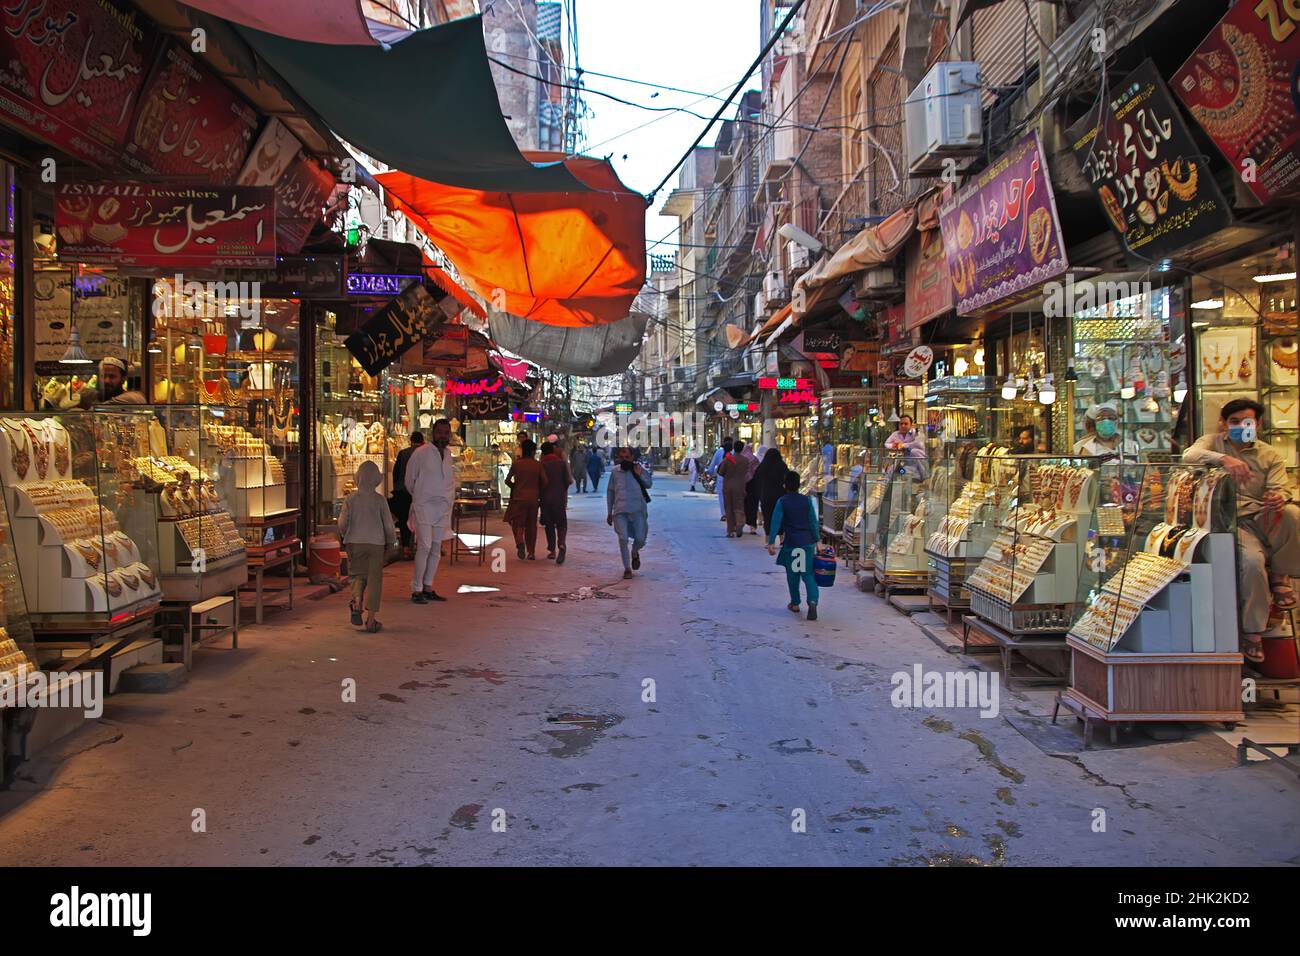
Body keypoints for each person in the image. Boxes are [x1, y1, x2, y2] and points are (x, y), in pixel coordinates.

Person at [1183, 399, 1299, 664]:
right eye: (1234, 421)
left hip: (1263, 516)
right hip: (1232, 521)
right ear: (1223, 423)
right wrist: (1224, 459)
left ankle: (1282, 577)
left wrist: (1277, 497)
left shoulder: (1269, 455)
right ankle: (1253, 632)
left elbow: (1282, 489)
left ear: (1258, 424)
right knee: (1252, 561)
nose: (1240, 427)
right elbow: (1188, 456)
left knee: (1293, 513)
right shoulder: (1212, 443)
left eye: (1247, 422)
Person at [338, 460, 398, 632]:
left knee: (357, 575)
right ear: (375, 480)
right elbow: (388, 525)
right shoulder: (379, 500)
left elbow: (342, 523)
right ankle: (371, 620)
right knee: (374, 580)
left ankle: (357, 602)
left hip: (354, 542)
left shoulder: (350, 499)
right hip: (376, 544)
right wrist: (391, 542)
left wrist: (345, 535)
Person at [405, 418, 456, 604]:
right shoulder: (421, 453)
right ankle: (416, 589)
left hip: (442, 508)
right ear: (433, 433)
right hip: (424, 506)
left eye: (446, 433)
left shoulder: (449, 454)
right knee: (424, 546)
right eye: (440, 432)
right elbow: (409, 481)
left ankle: (428, 586)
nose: (443, 436)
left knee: (436, 548)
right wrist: (421, 496)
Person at [767, 471, 821, 621]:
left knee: (793, 575)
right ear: (798, 485)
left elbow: (775, 522)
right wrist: (817, 541)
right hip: (807, 544)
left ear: (785, 485)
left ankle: (795, 603)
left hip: (792, 544)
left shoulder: (782, 502)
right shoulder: (807, 501)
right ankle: (812, 601)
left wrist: (771, 542)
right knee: (808, 574)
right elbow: (813, 522)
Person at [607, 446, 653, 579]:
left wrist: (640, 476)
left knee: (640, 538)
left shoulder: (639, 469)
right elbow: (610, 492)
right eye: (621, 458)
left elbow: (649, 484)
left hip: (637, 510)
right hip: (620, 511)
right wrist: (609, 511)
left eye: (627, 457)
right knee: (622, 538)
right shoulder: (615, 472)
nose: (624, 460)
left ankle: (634, 551)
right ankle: (627, 568)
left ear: (632, 457)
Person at [504, 439, 547, 560]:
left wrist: (515, 487)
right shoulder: (537, 465)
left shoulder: (517, 464)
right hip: (533, 498)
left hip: (519, 498)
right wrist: (538, 490)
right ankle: (531, 552)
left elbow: (507, 480)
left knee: (517, 523)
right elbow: (545, 481)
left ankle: (519, 542)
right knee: (532, 526)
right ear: (533, 451)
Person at [390, 432, 423, 559]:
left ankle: (405, 548)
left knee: (404, 520)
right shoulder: (425, 454)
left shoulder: (403, 453)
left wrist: (397, 487)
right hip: (419, 493)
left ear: (411, 441)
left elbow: (396, 473)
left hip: (403, 492)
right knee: (421, 520)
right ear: (422, 441)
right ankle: (420, 547)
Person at [539, 441, 574, 563]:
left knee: (549, 525)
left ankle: (552, 551)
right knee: (561, 524)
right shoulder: (561, 463)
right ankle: (562, 544)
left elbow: (540, 483)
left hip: (545, 499)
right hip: (559, 498)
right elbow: (569, 481)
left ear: (542, 453)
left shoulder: (541, 465)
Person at [80, 356, 145, 406]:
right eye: (103, 376)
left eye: (112, 376)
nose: (107, 381)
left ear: (123, 379)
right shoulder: (93, 397)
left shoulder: (129, 399)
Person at [717, 439, 749, 538]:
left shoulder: (728, 459)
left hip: (728, 486)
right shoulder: (745, 460)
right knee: (739, 506)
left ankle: (730, 530)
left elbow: (720, 472)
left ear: (733, 448)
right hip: (740, 486)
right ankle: (739, 523)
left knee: (729, 508)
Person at [754, 447, 790, 532]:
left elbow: (756, 478)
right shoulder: (782, 465)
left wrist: (759, 492)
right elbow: (788, 478)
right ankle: (781, 538)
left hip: (766, 495)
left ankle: (769, 540)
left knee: (767, 517)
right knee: (780, 517)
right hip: (780, 495)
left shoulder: (763, 466)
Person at [885, 414, 927, 479]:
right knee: (893, 469)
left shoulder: (916, 433)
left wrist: (903, 445)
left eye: (906, 424)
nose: (903, 426)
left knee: (914, 451)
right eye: (901, 424)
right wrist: (894, 445)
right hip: (903, 465)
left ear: (911, 425)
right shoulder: (895, 434)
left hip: (916, 465)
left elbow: (918, 444)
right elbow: (886, 444)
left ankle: (924, 477)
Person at [740, 439, 761, 534]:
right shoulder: (755, 459)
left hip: (743, 485)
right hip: (754, 486)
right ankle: (753, 527)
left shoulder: (742, 459)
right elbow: (758, 472)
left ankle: (742, 523)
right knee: (753, 506)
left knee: (743, 505)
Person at [709, 437, 732, 521]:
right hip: (731, 478)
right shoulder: (734, 453)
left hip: (721, 478)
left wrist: (709, 472)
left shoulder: (719, 452)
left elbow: (712, 465)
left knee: (722, 497)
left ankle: (724, 514)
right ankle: (730, 514)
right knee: (731, 497)